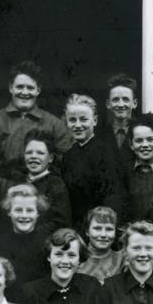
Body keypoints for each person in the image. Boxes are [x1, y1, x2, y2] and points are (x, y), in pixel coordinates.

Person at [0, 60, 72, 179]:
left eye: (30, 88)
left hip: (40, 190)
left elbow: (63, 163)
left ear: (38, 90)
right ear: (11, 88)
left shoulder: (55, 125)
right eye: (20, 87)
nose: (25, 92)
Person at [59, 93, 129, 227]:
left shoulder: (107, 153)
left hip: (99, 227)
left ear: (95, 120)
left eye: (83, 119)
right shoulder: (68, 155)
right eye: (72, 120)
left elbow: (115, 198)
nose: (77, 125)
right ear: (66, 122)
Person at [0, 183, 51, 300]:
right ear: (8, 211)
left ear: (38, 213)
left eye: (30, 210)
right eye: (18, 210)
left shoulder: (47, 244)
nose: (24, 215)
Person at [14, 128, 72, 234]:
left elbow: (61, 221)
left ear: (50, 158)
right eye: (29, 152)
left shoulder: (55, 184)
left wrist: (31, 233)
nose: (33, 157)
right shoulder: (18, 182)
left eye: (40, 153)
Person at [77, 206, 125, 282]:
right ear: (87, 232)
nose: (103, 235)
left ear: (115, 233)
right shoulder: (77, 259)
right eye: (97, 228)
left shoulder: (122, 259)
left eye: (109, 229)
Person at [104, 74, 139, 154]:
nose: (120, 105)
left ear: (134, 103)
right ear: (108, 104)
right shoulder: (99, 135)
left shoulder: (144, 133)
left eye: (126, 99)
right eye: (115, 99)